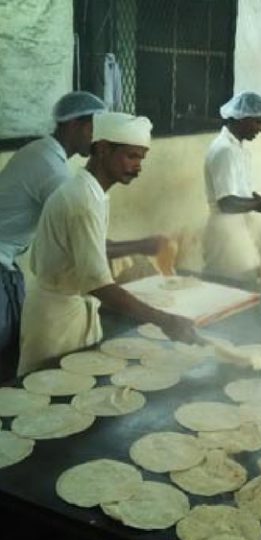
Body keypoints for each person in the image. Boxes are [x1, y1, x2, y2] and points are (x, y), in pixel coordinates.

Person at [19, 112, 198, 375]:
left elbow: (91, 248)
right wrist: (165, 320)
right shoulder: (82, 200)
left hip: (72, 310)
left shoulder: (91, 192)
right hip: (57, 320)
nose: (138, 166)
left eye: (141, 158)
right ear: (102, 149)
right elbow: (100, 285)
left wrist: (140, 245)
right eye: (131, 156)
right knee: (51, 395)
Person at [0, 91, 106, 382]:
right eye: (93, 129)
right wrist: (143, 245)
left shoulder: (42, 153)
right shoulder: (49, 166)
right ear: (74, 125)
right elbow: (82, 238)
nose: (97, 139)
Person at [202, 92, 261, 283]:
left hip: (237, 228)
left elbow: (238, 190)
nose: (260, 129)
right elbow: (227, 202)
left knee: (246, 282)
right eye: (257, 122)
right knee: (230, 287)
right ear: (241, 119)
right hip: (226, 231)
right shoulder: (225, 150)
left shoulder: (236, 148)